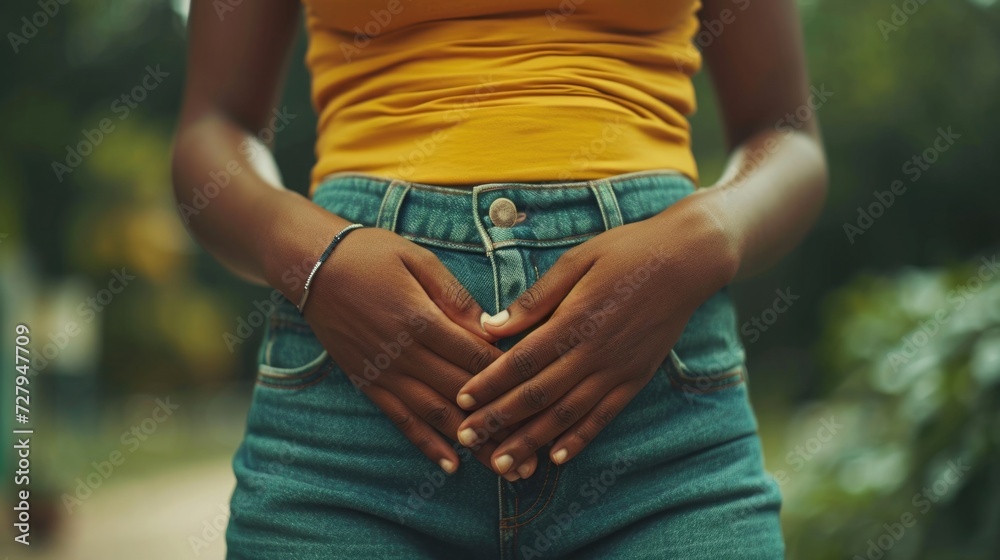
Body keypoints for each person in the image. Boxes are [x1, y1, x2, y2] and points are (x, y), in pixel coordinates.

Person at [171, 0, 827, 558]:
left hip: (662, 433)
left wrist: (705, 237)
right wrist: (314, 257)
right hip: (349, 431)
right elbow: (212, 128)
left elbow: (786, 135)